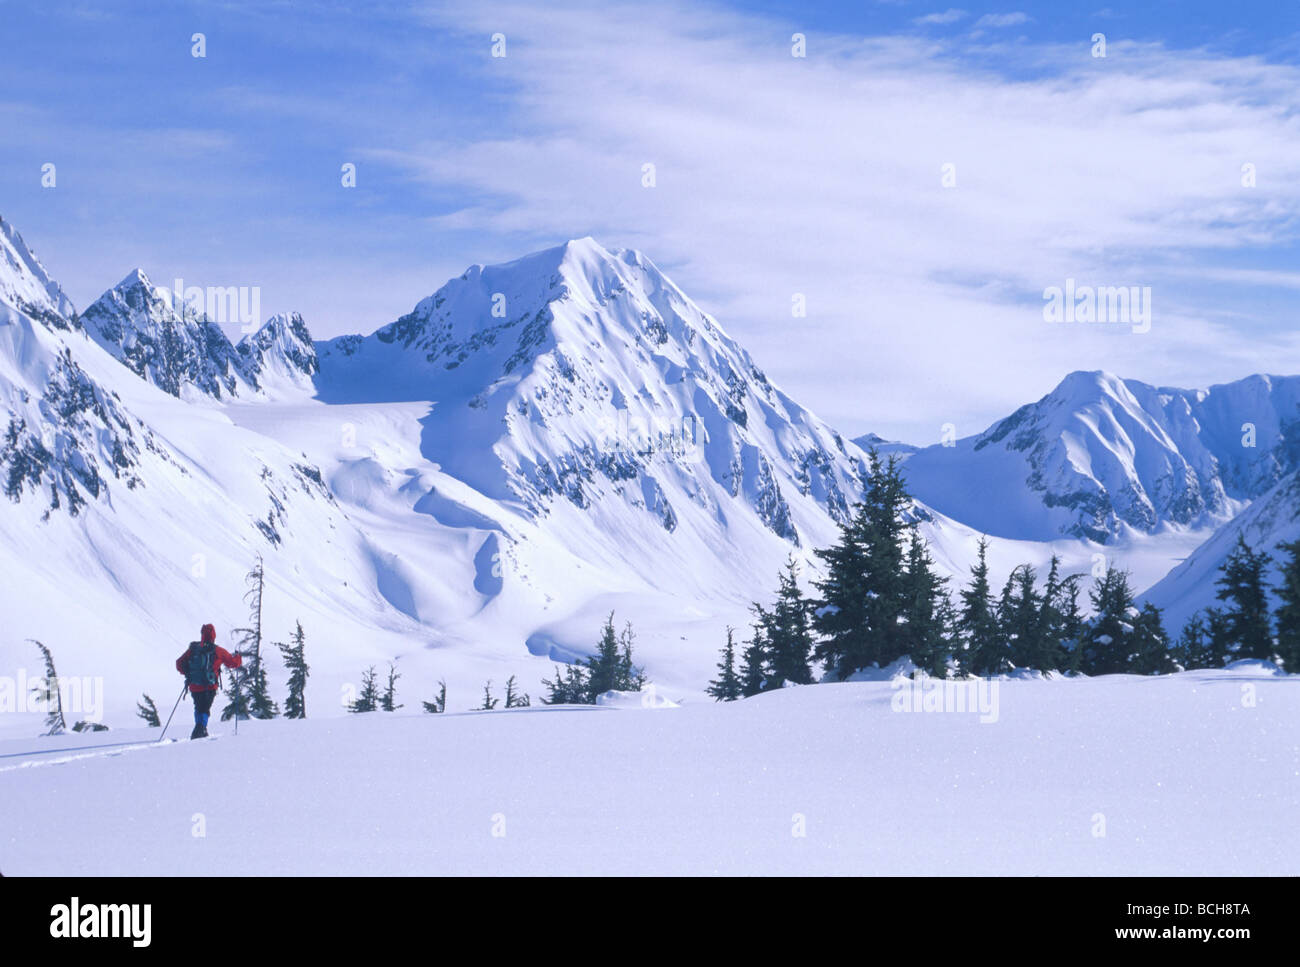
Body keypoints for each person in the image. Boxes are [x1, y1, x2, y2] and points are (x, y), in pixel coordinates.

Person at [176, 624, 242, 739]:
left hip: (194, 685)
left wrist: (188, 673)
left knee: (198, 707)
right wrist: (238, 657)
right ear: (214, 635)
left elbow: (179, 663)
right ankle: (199, 729)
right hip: (210, 686)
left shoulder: (193, 649)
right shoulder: (218, 651)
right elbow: (233, 663)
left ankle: (201, 728)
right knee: (205, 709)